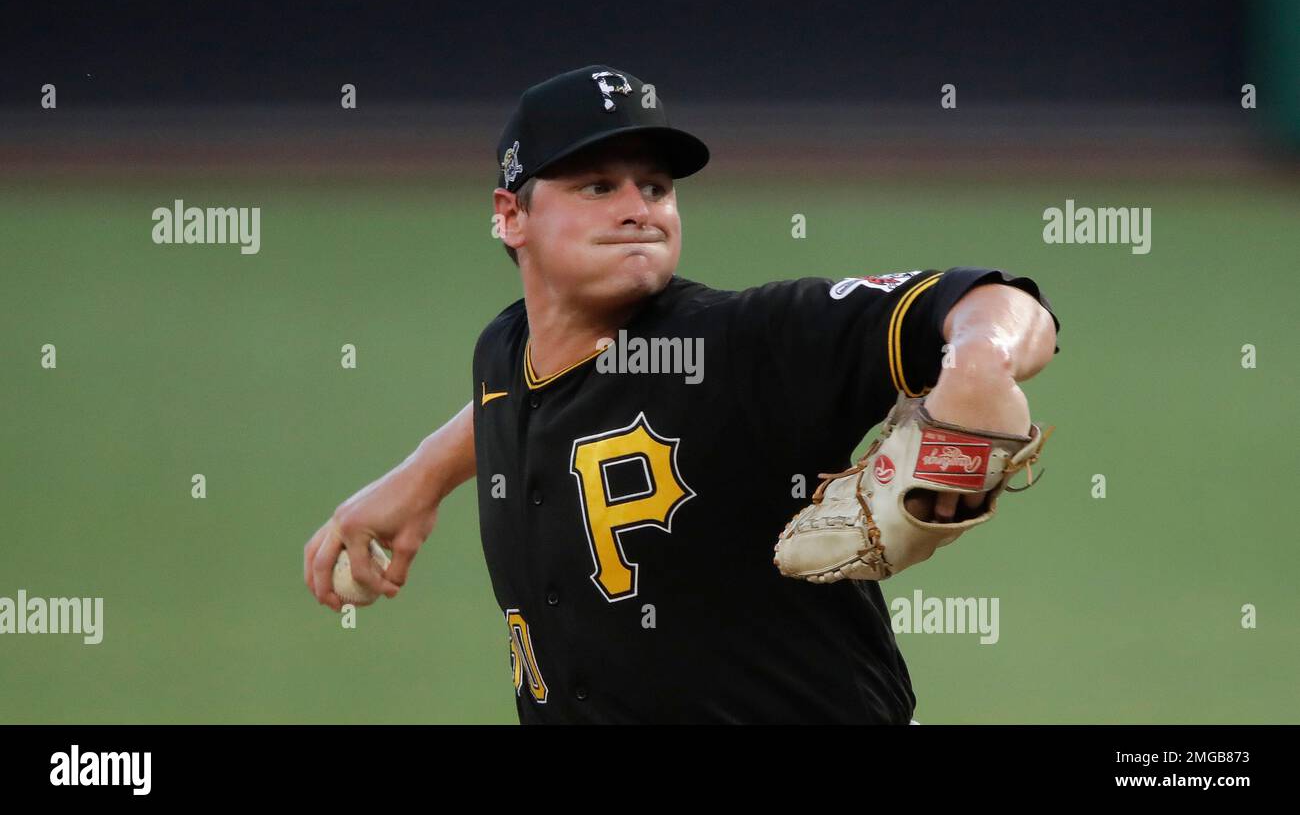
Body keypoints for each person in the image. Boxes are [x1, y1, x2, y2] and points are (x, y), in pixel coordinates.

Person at [304, 65, 1060, 724]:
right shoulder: (505, 353)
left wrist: (979, 365)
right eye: (598, 185)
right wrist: (417, 479)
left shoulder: (738, 346)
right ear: (511, 217)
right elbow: (522, 401)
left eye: (656, 188)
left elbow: (987, 300)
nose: (638, 207)